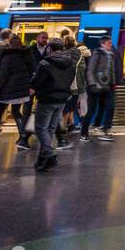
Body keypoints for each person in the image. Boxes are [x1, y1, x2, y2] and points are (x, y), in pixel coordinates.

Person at [30, 36, 78, 172]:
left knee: (40, 128)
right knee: (50, 129)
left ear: (50, 48)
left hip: (47, 99)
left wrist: (33, 88)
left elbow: (36, 81)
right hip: (62, 99)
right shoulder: (71, 63)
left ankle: (50, 154)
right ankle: (42, 159)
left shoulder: (46, 63)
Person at [0, 31, 35, 147]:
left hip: (7, 91)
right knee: (16, 112)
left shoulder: (8, 56)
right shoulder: (26, 54)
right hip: (21, 90)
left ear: (10, 44)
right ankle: (23, 137)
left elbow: (2, 76)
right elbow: (32, 71)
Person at [82, 37, 119, 142]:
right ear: (102, 44)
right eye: (108, 43)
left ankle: (105, 130)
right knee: (91, 110)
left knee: (110, 107)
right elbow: (90, 70)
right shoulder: (97, 53)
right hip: (95, 87)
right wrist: (92, 84)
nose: (110, 45)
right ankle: (83, 133)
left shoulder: (111, 55)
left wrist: (113, 83)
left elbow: (112, 71)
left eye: (111, 43)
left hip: (106, 86)